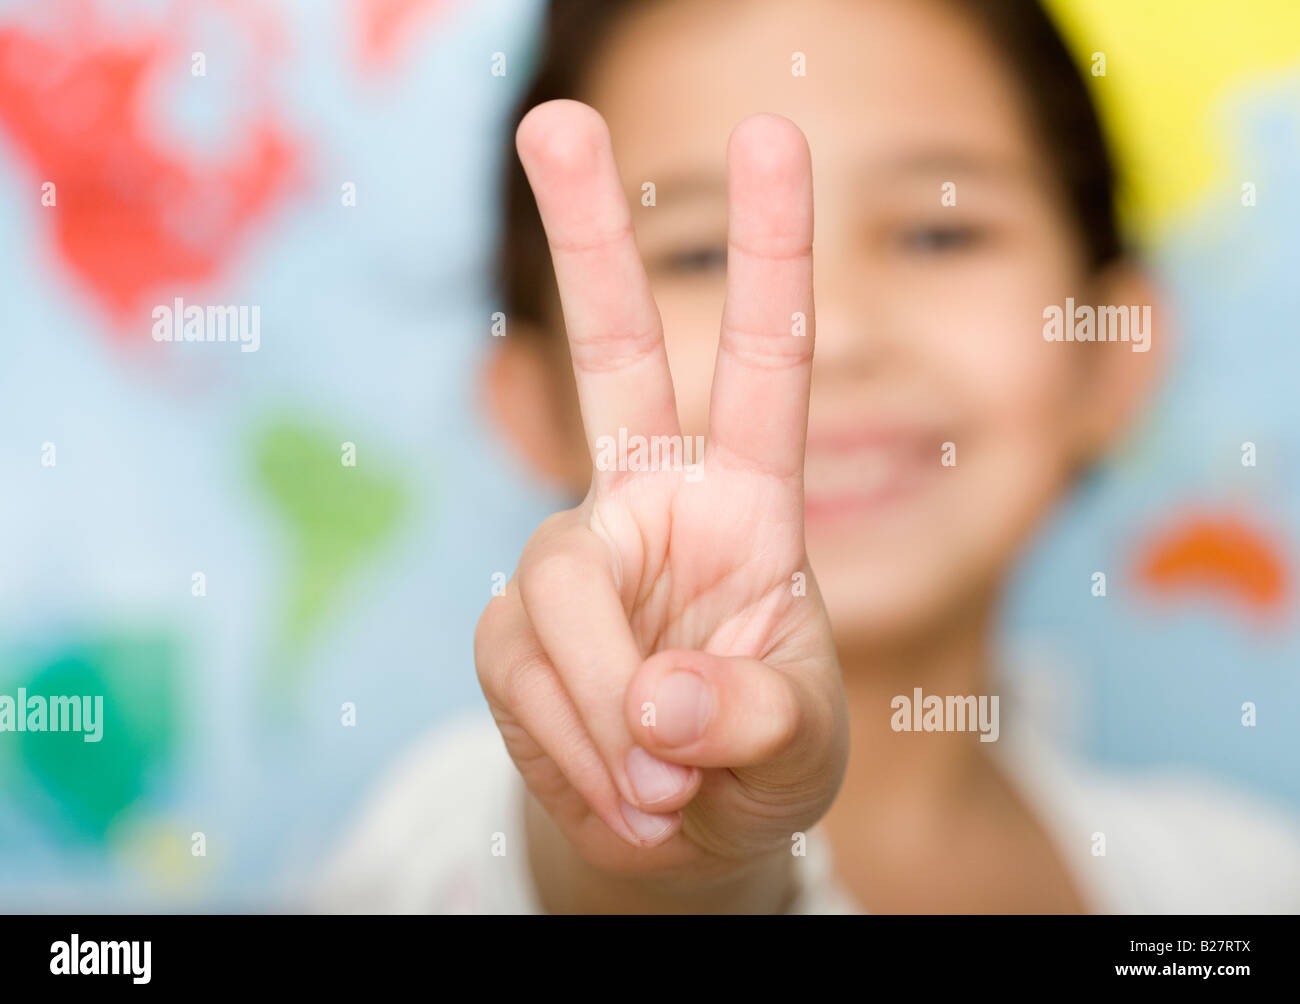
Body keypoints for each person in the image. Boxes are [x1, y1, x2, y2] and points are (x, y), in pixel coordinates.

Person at [317, 0, 1300, 913]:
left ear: (1110, 348)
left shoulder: (1238, 879)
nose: (827, 334)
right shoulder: (442, 834)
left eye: (937, 231)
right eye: (702, 254)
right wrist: (662, 867)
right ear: (531, 403)